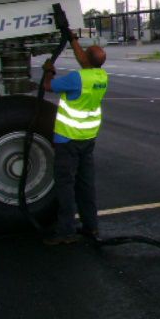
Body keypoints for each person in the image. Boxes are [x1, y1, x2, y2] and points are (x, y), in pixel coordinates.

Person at [41, 34, 108, 245]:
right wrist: (73, 41)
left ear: (86, 60)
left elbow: (48, 87)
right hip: (87, 138)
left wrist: (48, 72)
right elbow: (84, 60)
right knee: (86, 184)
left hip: (68, 139)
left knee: (65, 185)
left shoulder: (76, 78)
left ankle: (65, 231)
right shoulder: (101, 76)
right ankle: (91, 226)